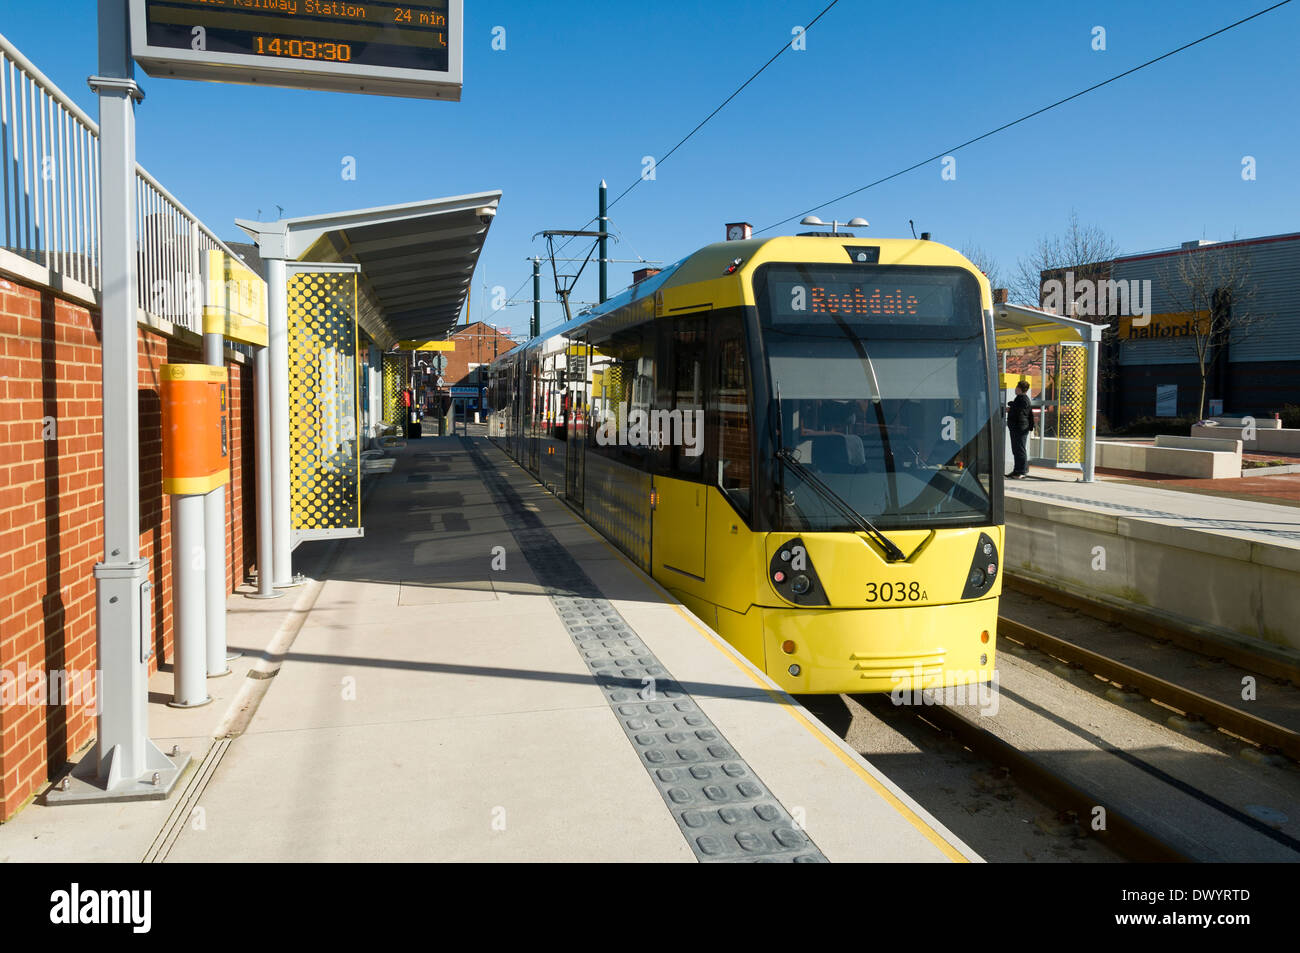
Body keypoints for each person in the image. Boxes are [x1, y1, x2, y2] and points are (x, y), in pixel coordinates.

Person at [1007, 380, 1033, 479]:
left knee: (1020, 450)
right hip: (1017, 428)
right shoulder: (1020, 398)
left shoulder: (1023, 399)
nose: (1015, 389)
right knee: (1016, 450)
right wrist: (1012, 407)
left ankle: (1022, 471)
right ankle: (1016, 471)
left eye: (1016, 387)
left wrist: (1011, 406)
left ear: (1019, 389)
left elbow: (1020, 412)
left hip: (1020, 429)